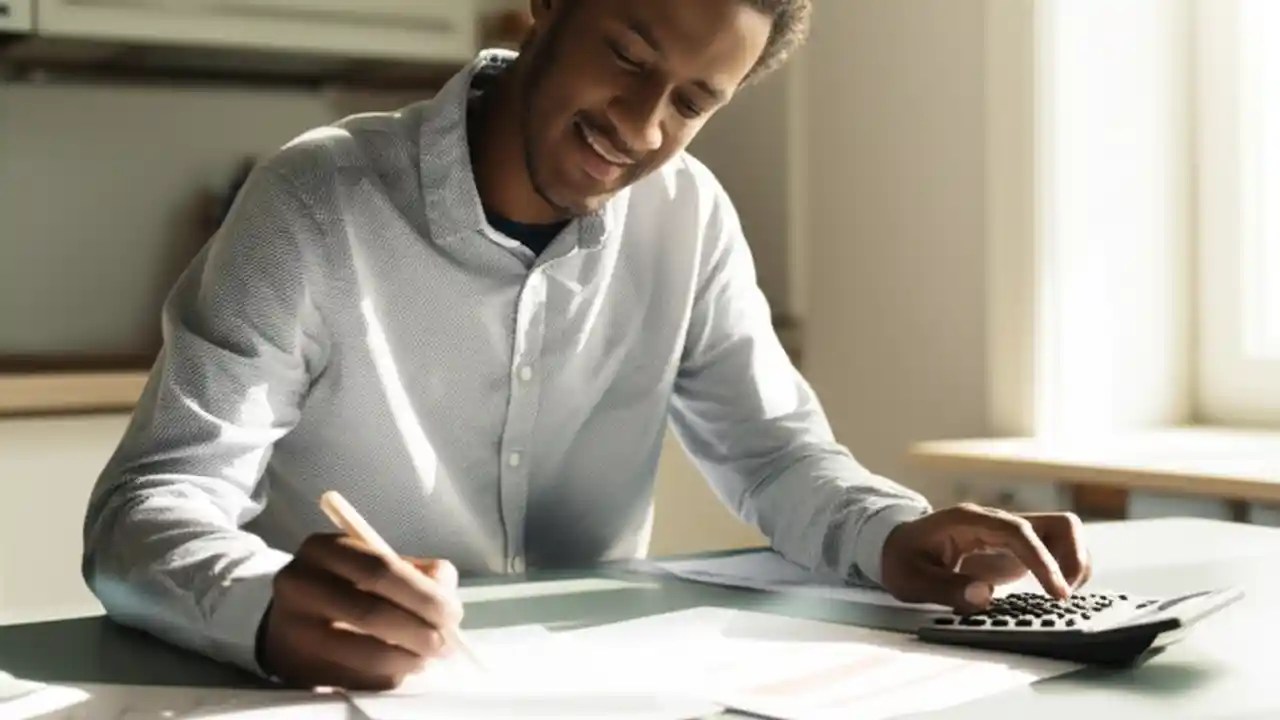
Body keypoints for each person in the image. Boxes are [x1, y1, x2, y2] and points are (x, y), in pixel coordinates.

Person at [83, 0, 1090, 691]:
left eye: (693, 102)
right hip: (333, 692)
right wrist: (260, 605)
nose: (642, 126)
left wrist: (890, 533)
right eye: (626, 54)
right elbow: (148, 508)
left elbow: (776, 454)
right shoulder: (316, 202)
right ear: (548, 1)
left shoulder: (687, 214)